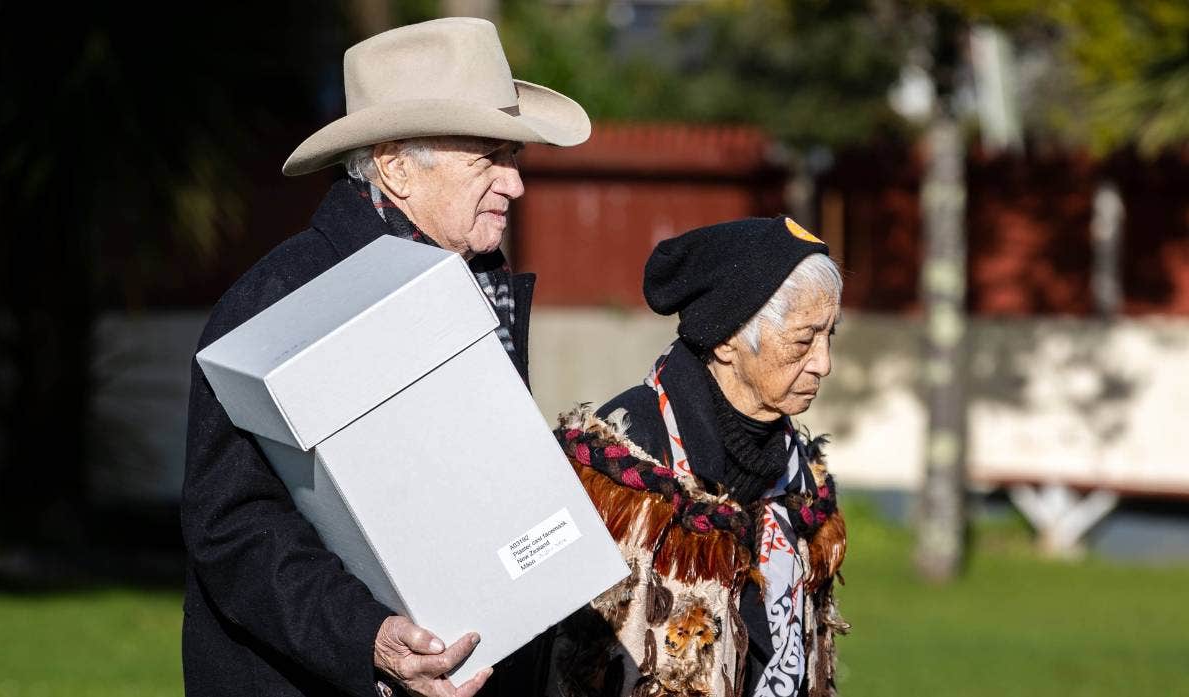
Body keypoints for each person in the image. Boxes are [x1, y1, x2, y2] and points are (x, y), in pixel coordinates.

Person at [181, 17, 590, 697]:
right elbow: (233, 526)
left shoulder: (474, 277)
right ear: (397, 166)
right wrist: (367, 636)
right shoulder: (278, 304)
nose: (515, 184)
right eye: (489, 157)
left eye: (514, 156)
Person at [548, 217, 849, 697]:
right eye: (803, 341)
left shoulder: (798, 473)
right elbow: (568, 661)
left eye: (830, 335)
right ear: (728, 339)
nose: (823, 363)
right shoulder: (624, 459)